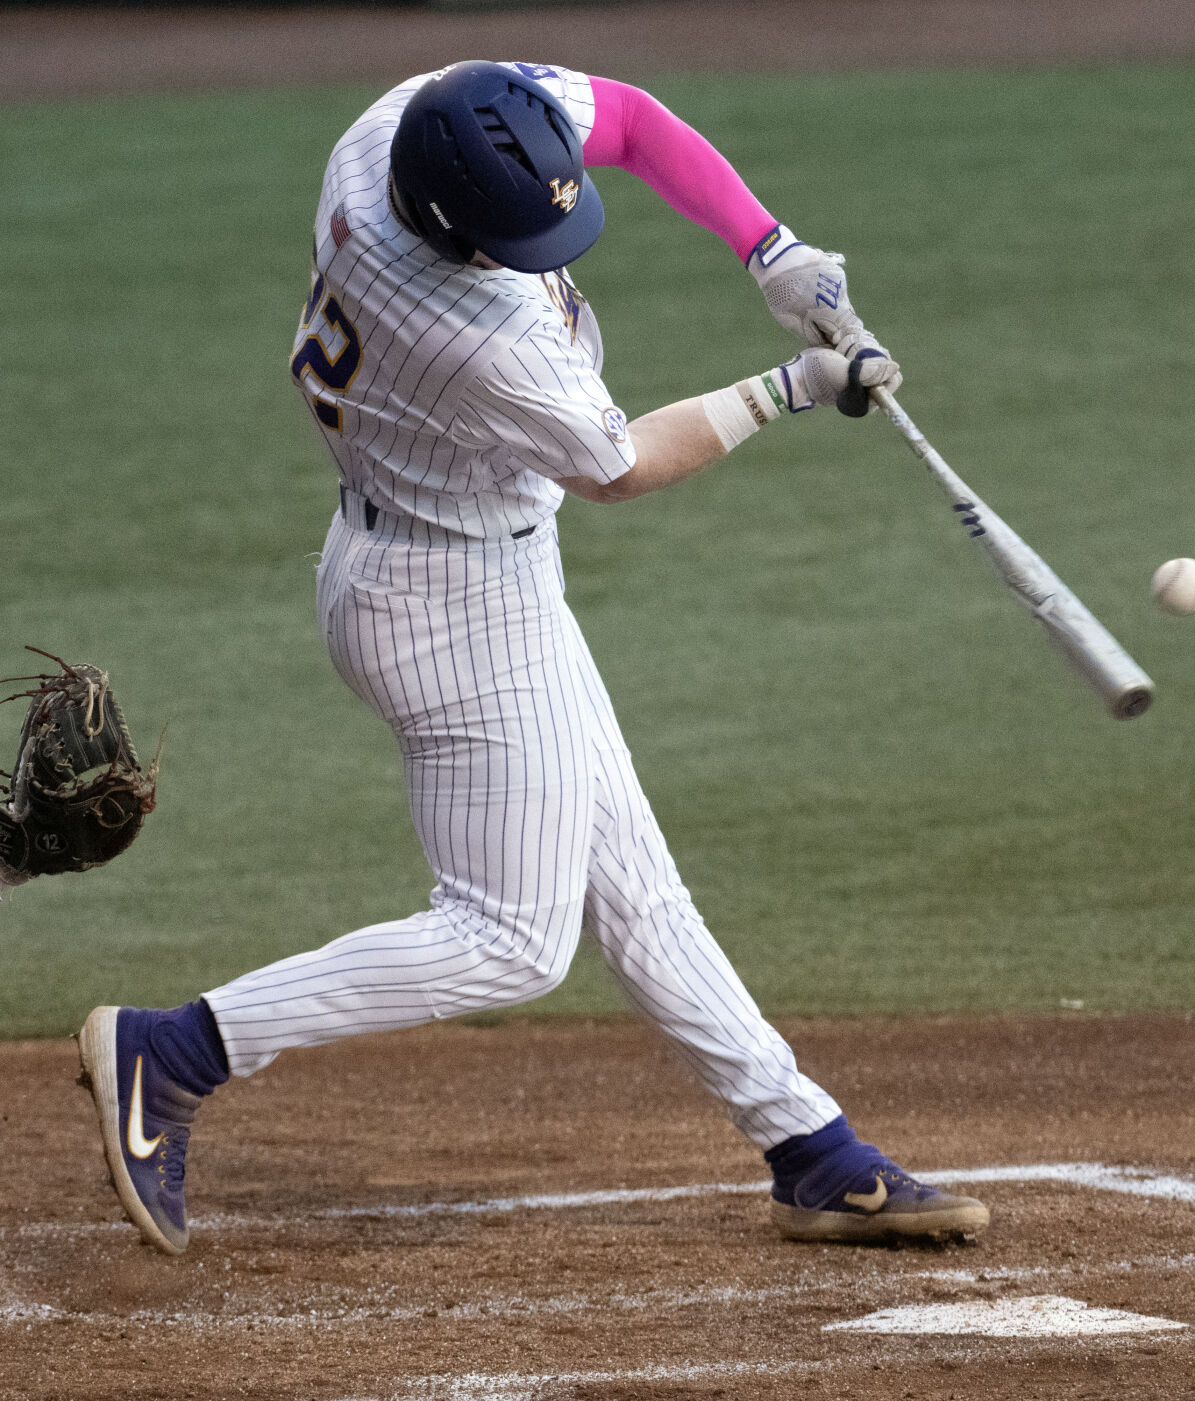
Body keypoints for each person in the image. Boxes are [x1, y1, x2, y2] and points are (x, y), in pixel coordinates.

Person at [76, 61, 989, 1255]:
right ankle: (175, 1050)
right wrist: (798, 384)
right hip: (453, 611)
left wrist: (768, 248)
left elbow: (637, 119)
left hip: (431, 563)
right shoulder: (475, 335)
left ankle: (812, 1152)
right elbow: (620, 468)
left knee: (633, 884)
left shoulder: (396, 129)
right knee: (509, 941)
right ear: (456, 229)